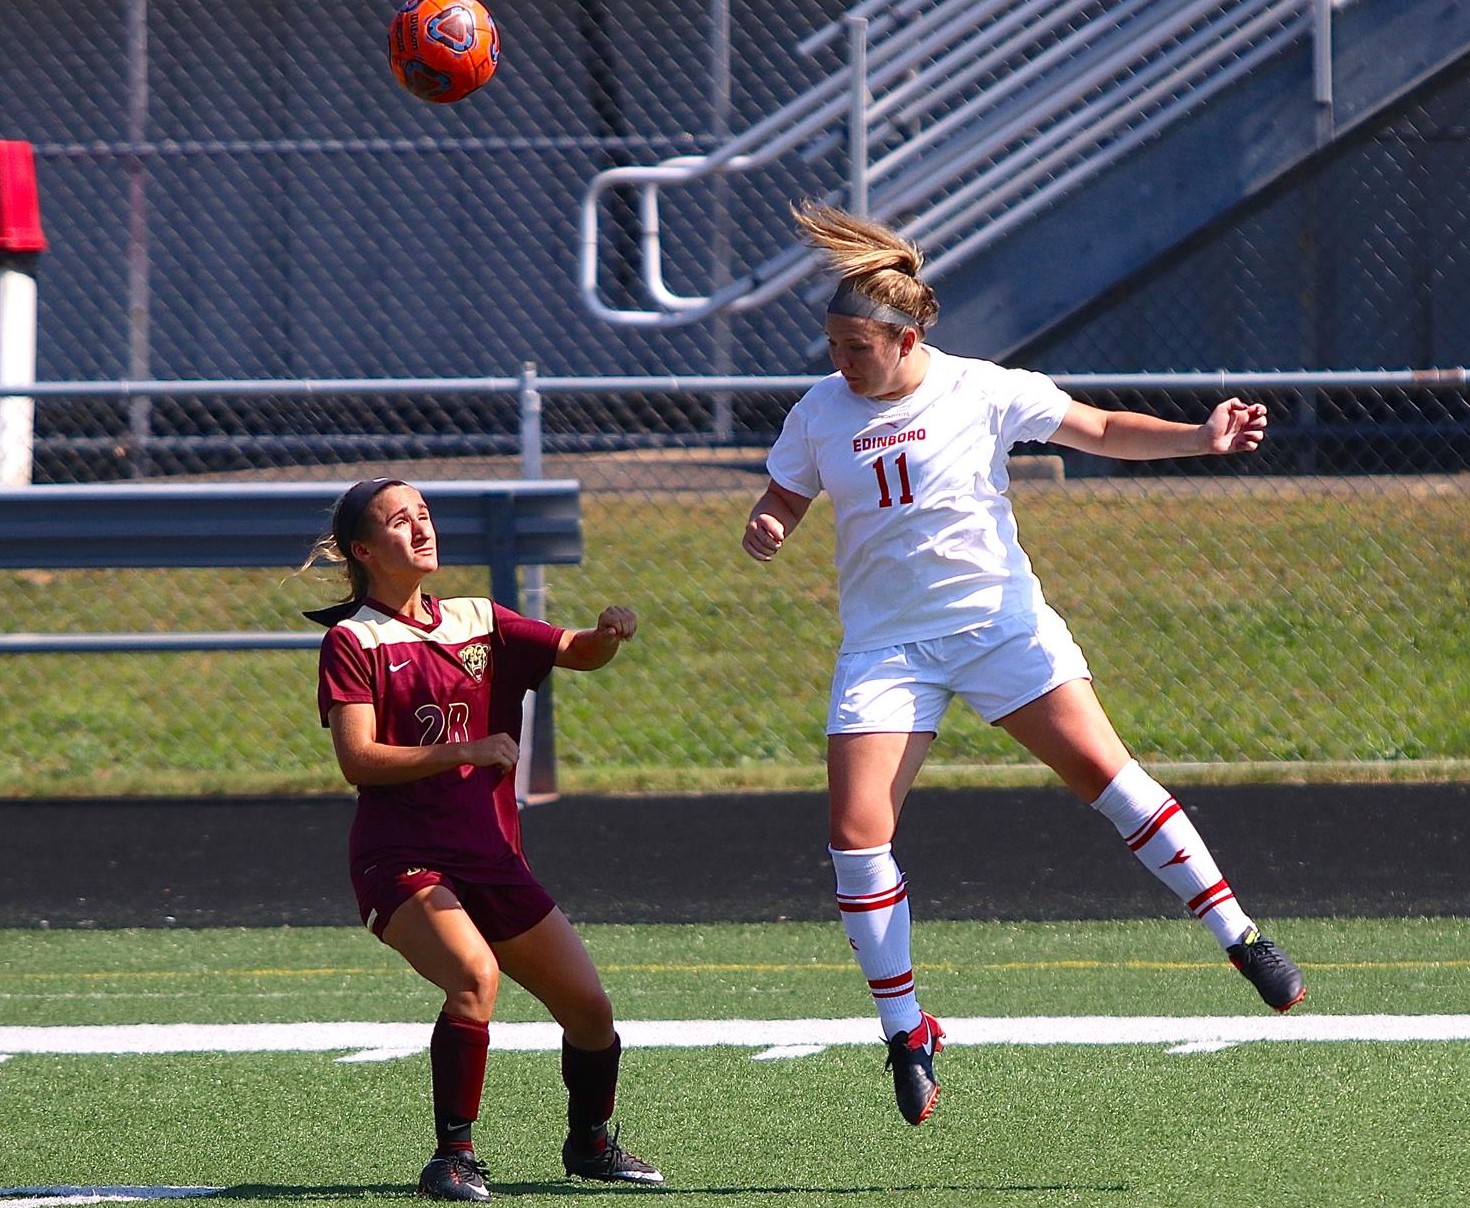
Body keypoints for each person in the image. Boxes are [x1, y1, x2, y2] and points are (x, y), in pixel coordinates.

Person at [741, 202, 1306, 1128]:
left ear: (908, 333)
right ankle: (905, 1031)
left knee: (1106, 776)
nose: (840, 360)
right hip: (888, 646)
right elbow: (785, 495)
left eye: (856, 346)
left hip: (998, 628)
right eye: (833, 344)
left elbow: (1098, 427)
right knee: (855, 830)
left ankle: (1240, 937)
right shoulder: (819, 410)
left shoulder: (980, 390)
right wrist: (769, 524)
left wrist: (1198, 440)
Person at [301, 478, 663, 1199]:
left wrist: (607, 634)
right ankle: (452, 1157)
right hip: (400, 860)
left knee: (591, 1012)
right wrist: (461, 752)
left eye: (424, 514)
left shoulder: (475, 617)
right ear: (365, 551)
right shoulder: (355, 640)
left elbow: (574, 652)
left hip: (491, 858)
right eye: (400, 521)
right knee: (474, 978)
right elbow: (358, 759)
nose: (421, 528)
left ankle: (590, 1145)